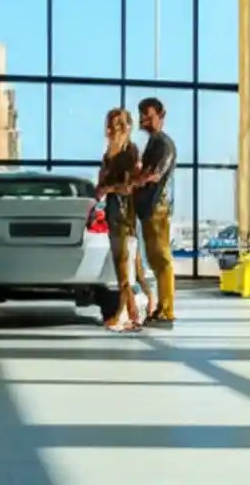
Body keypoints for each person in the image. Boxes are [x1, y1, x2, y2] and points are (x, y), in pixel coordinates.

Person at [95, 108, 155, 332]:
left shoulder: (129, 152)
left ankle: (131, 313)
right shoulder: (110, 153)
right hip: (113, 211)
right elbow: (103, 182)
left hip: (125, 213)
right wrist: (101, 187)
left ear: (125, 127)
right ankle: (146, 304)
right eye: (109, 125)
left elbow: (130, 186)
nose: (110, 130)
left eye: (115, 125)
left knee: (124, 265)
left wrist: (108, 187)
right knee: (133, 267)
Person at [135, 97, 178, 328]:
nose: (144, 120)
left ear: (161, 116)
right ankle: (162, 308)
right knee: (155, 259)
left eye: (148, 116)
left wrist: (137, 180)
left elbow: (156, 174)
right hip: (149, 207)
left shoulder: (163, 144)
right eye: (142, 116)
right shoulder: (153, 142)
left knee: (161, 259)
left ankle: (167, 310)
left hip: (157, 208)